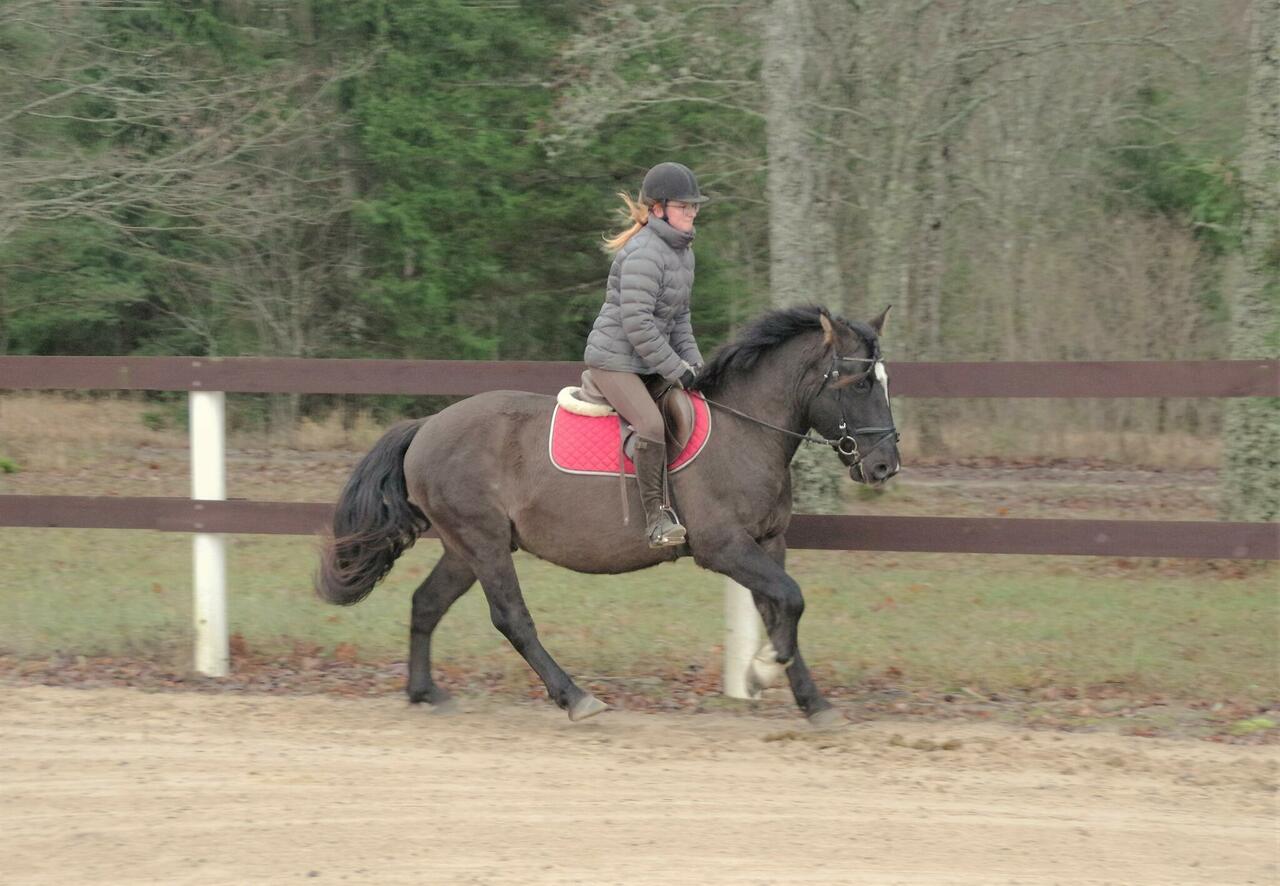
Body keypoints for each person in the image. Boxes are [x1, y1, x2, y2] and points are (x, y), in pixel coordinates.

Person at [583, 161, 708, 548]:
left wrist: (697, 367)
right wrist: (675, 368)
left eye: (694, 206)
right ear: (658, 208)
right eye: (683, 206)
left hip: (648, 362)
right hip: (615, 362)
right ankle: (656, 520)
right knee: (651, 426)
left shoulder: (682, 254)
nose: (691, 212)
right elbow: (638, 325)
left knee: (696, 407)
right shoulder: (644, 254)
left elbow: (680, 320)